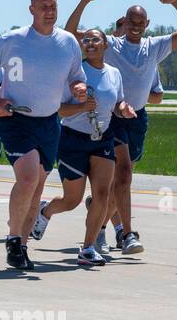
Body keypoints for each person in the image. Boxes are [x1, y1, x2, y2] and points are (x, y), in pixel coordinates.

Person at [64, 0, 177, 254]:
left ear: (147, 24)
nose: (135, 27)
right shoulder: (112, 45)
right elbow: (70, 33)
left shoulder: (155, 46)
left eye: (140, 23)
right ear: (123, 23)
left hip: (136, 118)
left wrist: (175, 2)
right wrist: (85, 1)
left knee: (120, 183)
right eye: (131, 22)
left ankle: (99, 225)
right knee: (123, 175)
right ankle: (127, 234)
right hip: (112, 117)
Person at [0, 0, 87, 271]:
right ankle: (13, 238)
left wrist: (79, 87)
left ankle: (21, 247)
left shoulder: (68, 42)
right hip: (17, 119)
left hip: (50, 122)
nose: (49, 11)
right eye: (43, 7)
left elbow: (77, 76)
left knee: (36, 188)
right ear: (32, 10)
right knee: (26, 179)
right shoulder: (14, 40)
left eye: (53, 6)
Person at [29, 27, 135, 267]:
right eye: (85, 40)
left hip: (103, 139)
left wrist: (123, 109)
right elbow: (57, 109)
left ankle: (87, 248)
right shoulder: (74, 73)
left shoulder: (114, 73)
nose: (90, 43)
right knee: (72, 200)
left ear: (105, 45)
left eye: (95, 39)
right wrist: (80, 108)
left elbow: (117, 101)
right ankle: (45, 212)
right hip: (72, 139)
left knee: (101, 193)